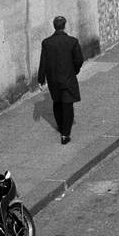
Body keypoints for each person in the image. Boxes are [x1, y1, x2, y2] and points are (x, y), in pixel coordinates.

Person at [37, 15, 83, 145]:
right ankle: (65, 134)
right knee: (68, 105)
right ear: (64, 26)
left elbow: (43, 62)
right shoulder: (72, 41)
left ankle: (61, 126)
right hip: (68, 78)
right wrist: (75, 70)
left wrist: (41, 79)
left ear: (54, 26)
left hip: (54, 80)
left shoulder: (47, 43)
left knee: (57, 103)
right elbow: (79, 60)